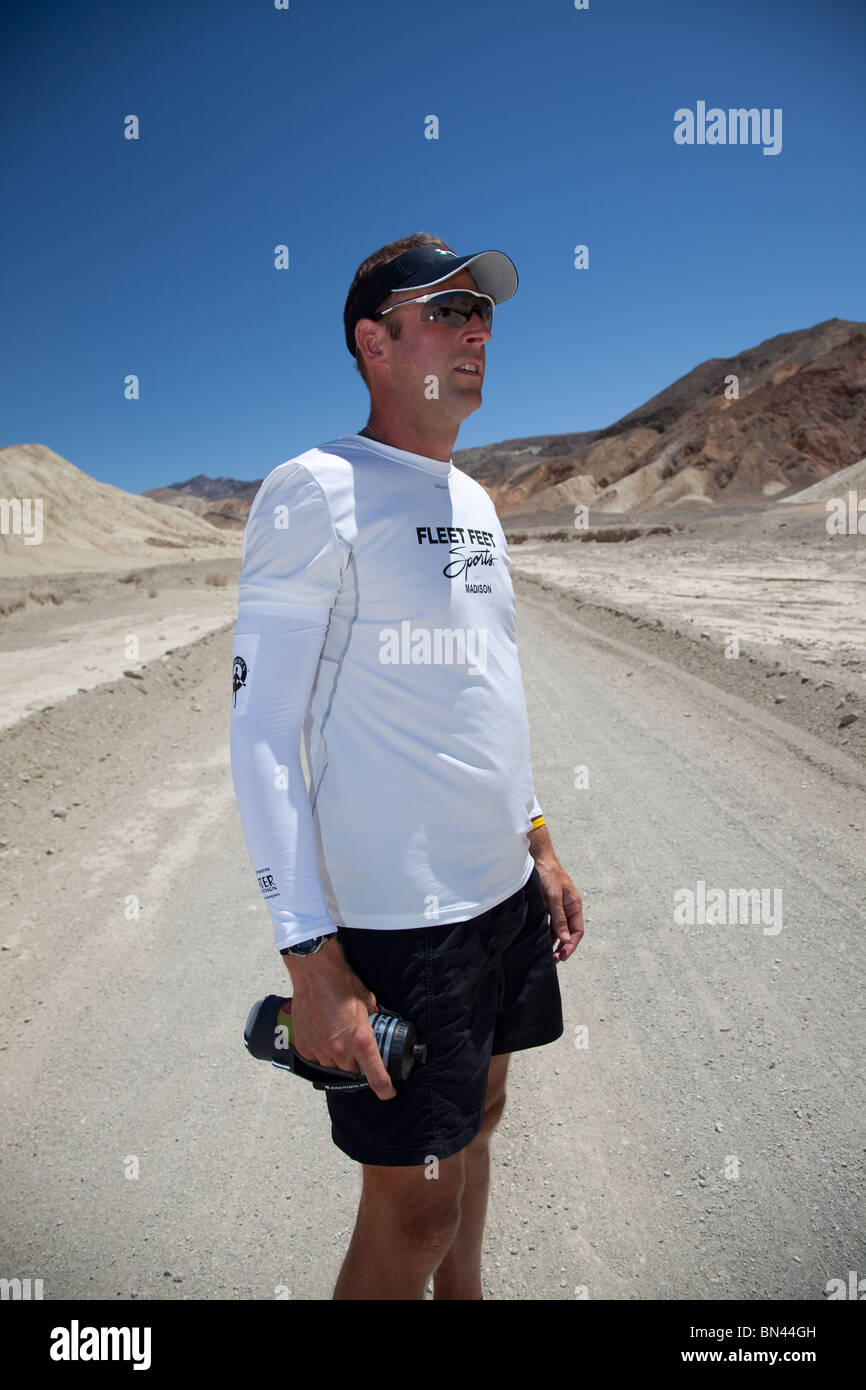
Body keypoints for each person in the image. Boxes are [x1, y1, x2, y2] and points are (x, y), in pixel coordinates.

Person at [230, 231, 584, 1300]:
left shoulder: (473, 500)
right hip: (399, 923)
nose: (477, 328)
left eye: (483, 313)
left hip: (503, 898)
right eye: (445, 310)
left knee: (480, 1118)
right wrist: (309, 958)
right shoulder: (315, 489)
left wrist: (539, 842)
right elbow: (260, 735)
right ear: (372, 343)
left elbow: (483, 688)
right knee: (415, 1204)